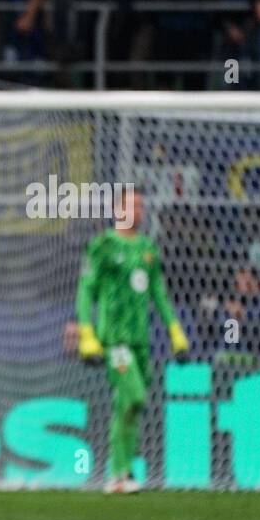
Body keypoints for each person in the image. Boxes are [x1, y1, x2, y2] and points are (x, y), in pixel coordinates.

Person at [73, 190, 189, 494]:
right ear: (117, 209)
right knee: (134, 396)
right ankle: (115, 474)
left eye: (141, 204)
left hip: (141, 342)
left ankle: (122, 475)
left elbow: (159, 295)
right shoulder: (104, 246)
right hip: (115, 341)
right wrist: (87, 333)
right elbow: (87, 290)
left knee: (130, 406)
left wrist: (175, 331)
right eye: (132, 205)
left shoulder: (148, 249)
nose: (139, 209)